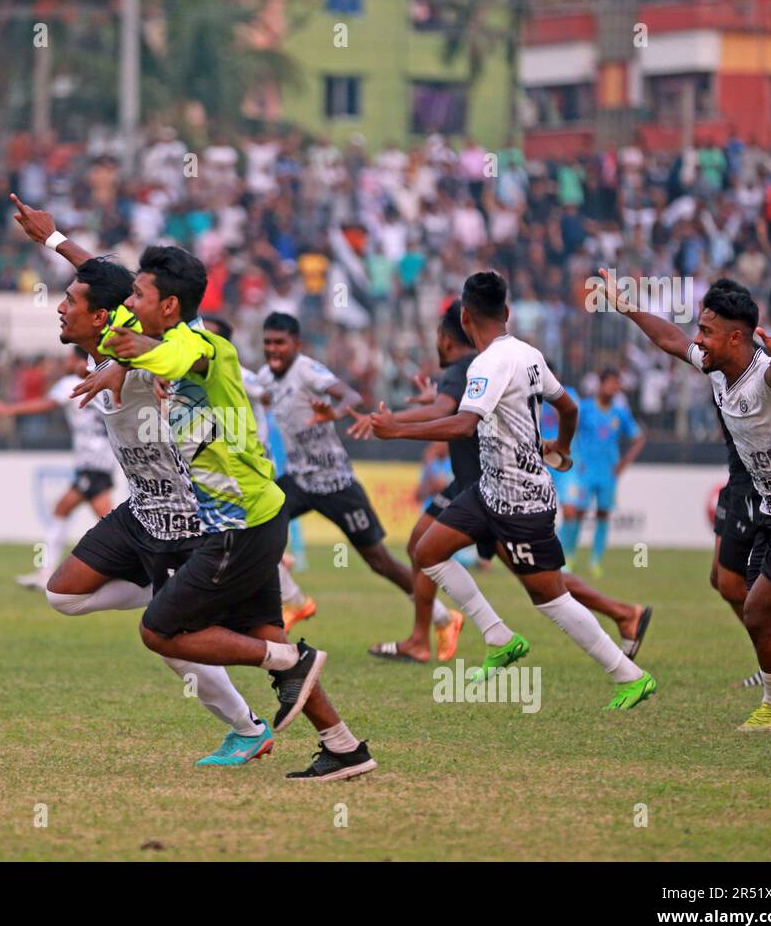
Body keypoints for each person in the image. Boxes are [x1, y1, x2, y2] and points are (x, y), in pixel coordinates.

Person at [31, 200, 373, 780]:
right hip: (162, 513)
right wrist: (55, 238)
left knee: (174, 633)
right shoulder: (119, 335)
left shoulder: (177, 350)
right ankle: (343, 746)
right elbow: (109, 284)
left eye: (71, 302)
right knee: (71, 595)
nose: (62, 308)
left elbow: (167, 342)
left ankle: (249, 722)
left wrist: (129, 359)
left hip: (207, 518)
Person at [367, 272, 658, 709]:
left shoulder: (486, 364)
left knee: (550, 598)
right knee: (426, 552)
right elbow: (568, 405)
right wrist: (559, 444)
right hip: (489, 489)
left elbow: (464, 424)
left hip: (521, 501)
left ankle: (629, 674)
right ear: (506, 313)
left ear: (465, 319)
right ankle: (499, 637)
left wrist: (393, 432)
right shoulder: (529, 354)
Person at [607, 269, 771, 731]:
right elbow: (671, 340)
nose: (699, 340)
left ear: (737, 338)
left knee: (757, 612)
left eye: (708, 332)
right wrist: (626, 306)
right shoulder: (717, 368)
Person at [260, 311, 462, 655]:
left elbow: (351, 396)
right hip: (298, 479)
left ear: (297, 344)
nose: (273, 349)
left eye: (280, 343)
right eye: (267, 343)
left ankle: (444, 618)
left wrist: (336, 413)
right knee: (257, 520)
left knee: (380, 562)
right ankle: (293, 599)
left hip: (337, 483)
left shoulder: (307, 370)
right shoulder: (265, 377)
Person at [200, 315, 315, 632]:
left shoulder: (236, 372)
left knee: (235, 539)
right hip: (223, 471)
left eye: (204, 335)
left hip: (248, 469)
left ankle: (287, 596)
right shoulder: (198, 374)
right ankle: (287, 589)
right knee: (237, 540)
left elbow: (265, 394)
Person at [0, 346, 115, 590]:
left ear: (80, 361)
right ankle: (46, 572)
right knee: (70, 510)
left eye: (70, 358)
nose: (66, 362)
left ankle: (135, 568)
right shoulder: (107, 378)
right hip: (102, 459)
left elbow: (45, 404)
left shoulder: (71, 383)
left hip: (92, 461)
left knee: (106, 522)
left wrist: (9, 409)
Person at [557, 369, 645, 576]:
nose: (614, 388)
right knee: (577, 513)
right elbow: (570, 428)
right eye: (611, 383)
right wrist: (573, 456)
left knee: (603, 515)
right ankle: (568, 558)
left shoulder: (620, 413)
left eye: (617, 384)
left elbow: (638, 438)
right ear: (600, 384)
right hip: (584, 471)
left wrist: (623, 464)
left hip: (608, 473)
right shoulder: (585, 408)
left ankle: (595, 561)